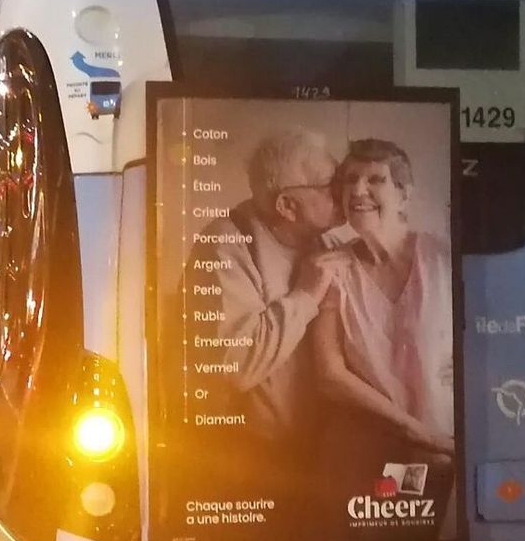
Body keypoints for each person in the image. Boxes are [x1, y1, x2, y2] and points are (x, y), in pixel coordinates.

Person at [189, 129, 353, 446]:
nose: (345, 192)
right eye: (330, 185)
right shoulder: (224, 243)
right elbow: (235, 366)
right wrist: (305, 297)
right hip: (247, 457)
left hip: (319, 453)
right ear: (287, 206)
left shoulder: (327, 242)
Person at [312, 138, 455, 463]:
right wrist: (415, 431)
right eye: (350, 180)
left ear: (404, 194)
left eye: (376, 179)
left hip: (447, 449)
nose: (358, 191)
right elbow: (329, 376)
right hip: (369, 454)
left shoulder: (443, 258)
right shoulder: (331, 269)